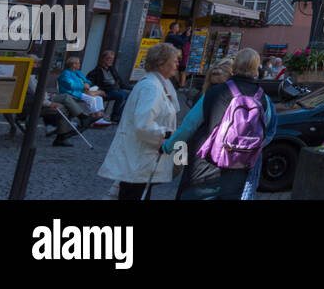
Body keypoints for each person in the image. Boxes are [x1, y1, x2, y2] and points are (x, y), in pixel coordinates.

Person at [175, 48, 270, 200]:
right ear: (256, 68)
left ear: (235, 65)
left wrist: (170, 149)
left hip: (206, 167)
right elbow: (266, 132)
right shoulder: (262, 98)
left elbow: (190, 126)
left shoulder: (217, 91)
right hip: (239, 167)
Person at [98, 42, 181, 200]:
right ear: (161, 63)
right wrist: (168, 134)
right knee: (134, 194)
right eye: (174, 60)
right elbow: (143, 124)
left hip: (143, 159)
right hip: (139, 159)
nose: (177, 64)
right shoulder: (151, 87)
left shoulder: (160, 85)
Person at [57, 56, 110, 125]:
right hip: (71, 92)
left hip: (80, 91)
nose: (79, 65)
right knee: (91, 99)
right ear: (73, 64)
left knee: (99, 98)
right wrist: (83, 86)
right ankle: (94, 118)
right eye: (78, 63)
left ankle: (98, 117)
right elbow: (71, 85)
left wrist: (87, 84)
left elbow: (87, 81)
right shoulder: (66, 74)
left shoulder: (78, 72)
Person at [86, 50, 131, 123]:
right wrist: (99, 90)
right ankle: (114, 116)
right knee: (120, 95)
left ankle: (119, 114)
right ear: (103, 59)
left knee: (130, 95)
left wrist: (133, 88)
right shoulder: (96, 71)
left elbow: (121, 83)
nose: (110, 61)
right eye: (108, 59)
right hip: (106, 91)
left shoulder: (112, 70)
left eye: (112, 59)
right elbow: (90, 83)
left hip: (115, 89)